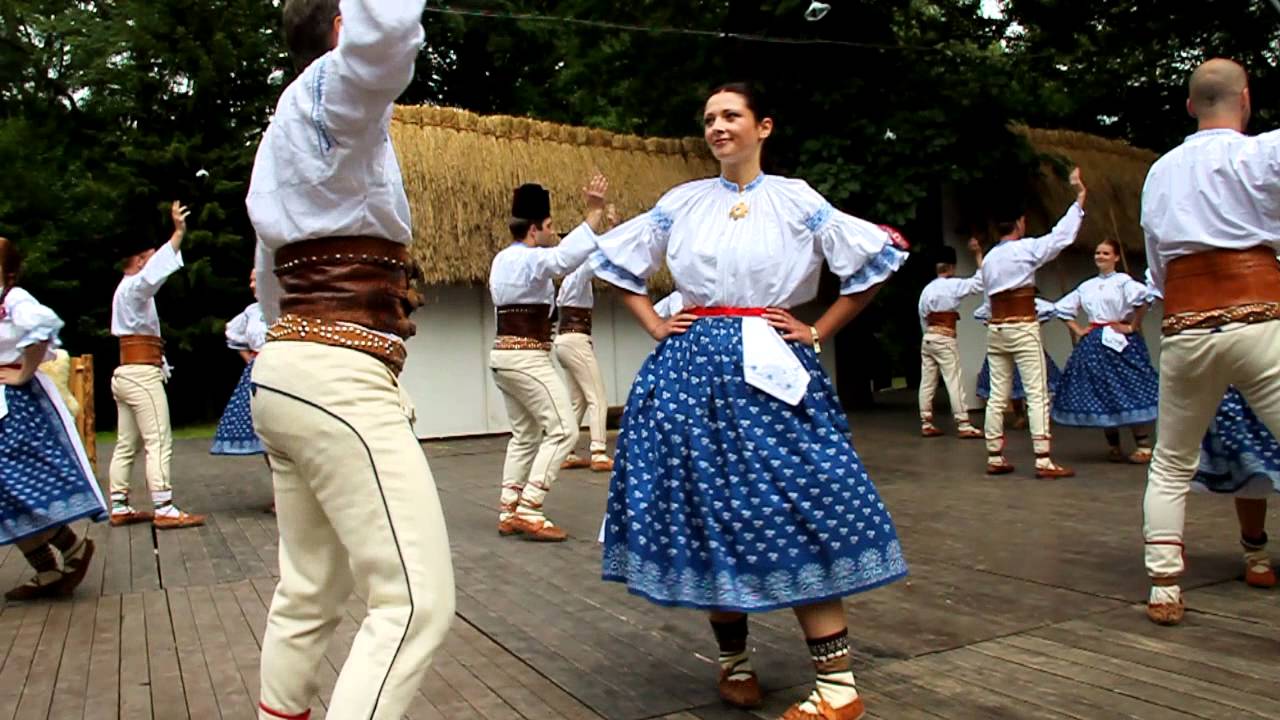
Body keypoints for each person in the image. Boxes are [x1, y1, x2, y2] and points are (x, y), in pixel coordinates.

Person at [592, 82, 908, 720]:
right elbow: (614, 263)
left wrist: (817, 330)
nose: (717, 126)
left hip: (773, 369)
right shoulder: (682, 202)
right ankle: (734, 662)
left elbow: (871, 263)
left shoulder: (796, 199)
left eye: (730, 115)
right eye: (708, 118)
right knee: (708, 507)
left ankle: (839, 687)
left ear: (762, 126)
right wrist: (655, 323)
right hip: (690, 372)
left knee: (804, 499)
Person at [246, 1, 455, 717]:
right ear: (341, 28)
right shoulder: (328, 97)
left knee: (308, 591)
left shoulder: (289, 129)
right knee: (415, 602)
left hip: (291, 370)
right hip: (336, 375)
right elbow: (389, 32)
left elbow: (270, 279)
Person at [1141, 58, 1280, 626]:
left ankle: (1164, 586)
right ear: (1245, 99)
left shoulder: (1160, 172)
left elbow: (1156, 267)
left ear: (1189, 105)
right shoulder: (1264, 151)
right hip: (1260, 315)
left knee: (1171, 460)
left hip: (1187, 322)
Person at [489, 177, 609, 542]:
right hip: (526, 357)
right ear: (534, 229)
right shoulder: (530, 259)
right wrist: (594, 213)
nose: (553, 232)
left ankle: (509, 506)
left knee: (525, 434)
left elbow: (557, 259)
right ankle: (530, 506)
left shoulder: (503, 260)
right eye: (550, 226)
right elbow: (561, 260)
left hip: (503, 358)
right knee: (563, 430)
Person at [0, 237, 106, 601]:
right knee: (5, 490)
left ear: (8, 272)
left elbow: (42, 330)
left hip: (15, 402)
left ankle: (68, 551)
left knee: (12, 482)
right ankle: (48, 567)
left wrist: (23, 373)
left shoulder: (13, 299)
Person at [978, 171, 1087, 478]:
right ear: (1020, 223)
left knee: (998, 393)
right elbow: (1061, 237)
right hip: (1022, 326)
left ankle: (995, 455)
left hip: (996, 327)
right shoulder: (1025, 250)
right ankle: (1042, 458)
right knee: (1036, 390)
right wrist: (1078, 201)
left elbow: (987, 301)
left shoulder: (988, 260)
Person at [107, 200, 205, 529]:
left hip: (126, 373)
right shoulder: (134, 287)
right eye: (147, 259)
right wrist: (178, 233)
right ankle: (163, 507)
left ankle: (119, 504)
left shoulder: (128, 291)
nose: (152, 264)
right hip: (139, 374)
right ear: (137, 261)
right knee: (158, 439)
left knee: (127, 442)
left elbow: (152, 274)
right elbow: (152, 273)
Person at [1051, 239, 1158, 463]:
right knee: (1101, 391)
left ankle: (1143, 445)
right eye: (1098, 253)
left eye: (1106, 253)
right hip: (1095, 344)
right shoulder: (1087, 286)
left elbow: (1143, 299)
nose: (1100, 256)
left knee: (1129, 387)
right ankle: (1114, 445)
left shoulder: (1123, 282)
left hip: (1120, 340)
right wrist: (1079, 330)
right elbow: (1062, 308)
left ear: (1116, 257)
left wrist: (1132, 325)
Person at [554, 204, 619, 473]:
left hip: (565, 342)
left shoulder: (569, 283)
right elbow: (597, 259)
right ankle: (599, 451)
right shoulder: (577, 276)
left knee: (577, 400)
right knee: (597, 397)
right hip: (576, 340)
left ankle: (566, 450)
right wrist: (612, 229)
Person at [211, 270, 274, 513]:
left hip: (281, 370)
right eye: (250, 279)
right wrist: (250, 359)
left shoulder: (283, 306)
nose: (250, 284)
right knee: (266, 438)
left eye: (255, 279)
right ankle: (281, 492)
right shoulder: (251, 311)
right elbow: (234, 335)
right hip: (258, 374)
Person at [916, 239, 985, 438]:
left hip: (928, 337)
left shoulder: (926, 290)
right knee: (954, 379)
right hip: (945, 337)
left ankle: (926, 421)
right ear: (952, 267)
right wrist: (978, 255)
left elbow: (922, 317)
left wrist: (927, 336)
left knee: (927, 380)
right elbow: (979, 283)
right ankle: (963, 423)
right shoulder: (953, 285)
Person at [974, 296, 1062, 428]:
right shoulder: (1000, 301)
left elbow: (1051, 309)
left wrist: (1036, 323)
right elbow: (979, 314)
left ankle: (1036, 418)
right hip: (1014, 342)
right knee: (1016, 384)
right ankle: (1023, 418)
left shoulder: (1027, 300)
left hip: (1023, 341)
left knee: (1034, 384)